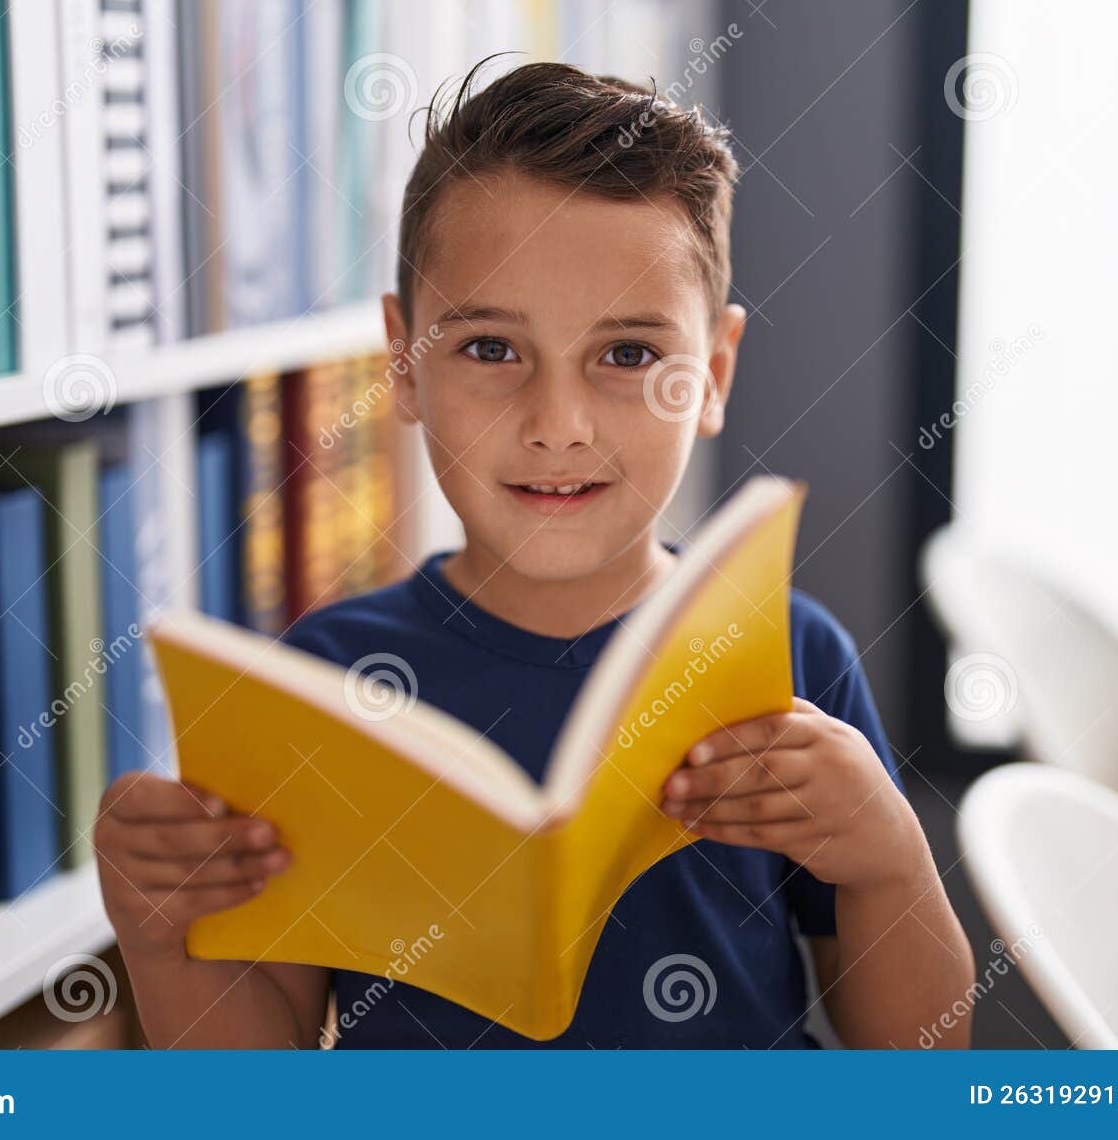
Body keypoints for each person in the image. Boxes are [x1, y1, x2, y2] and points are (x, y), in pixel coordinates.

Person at [94, 60, 975, 1049]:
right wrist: (160, 935)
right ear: (405, 361)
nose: (556, 425)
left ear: (713, 372)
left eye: (629, 354)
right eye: (490, 349)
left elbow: (917, 1065)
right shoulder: (324, 684)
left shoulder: (782, 658)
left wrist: (887, 859)